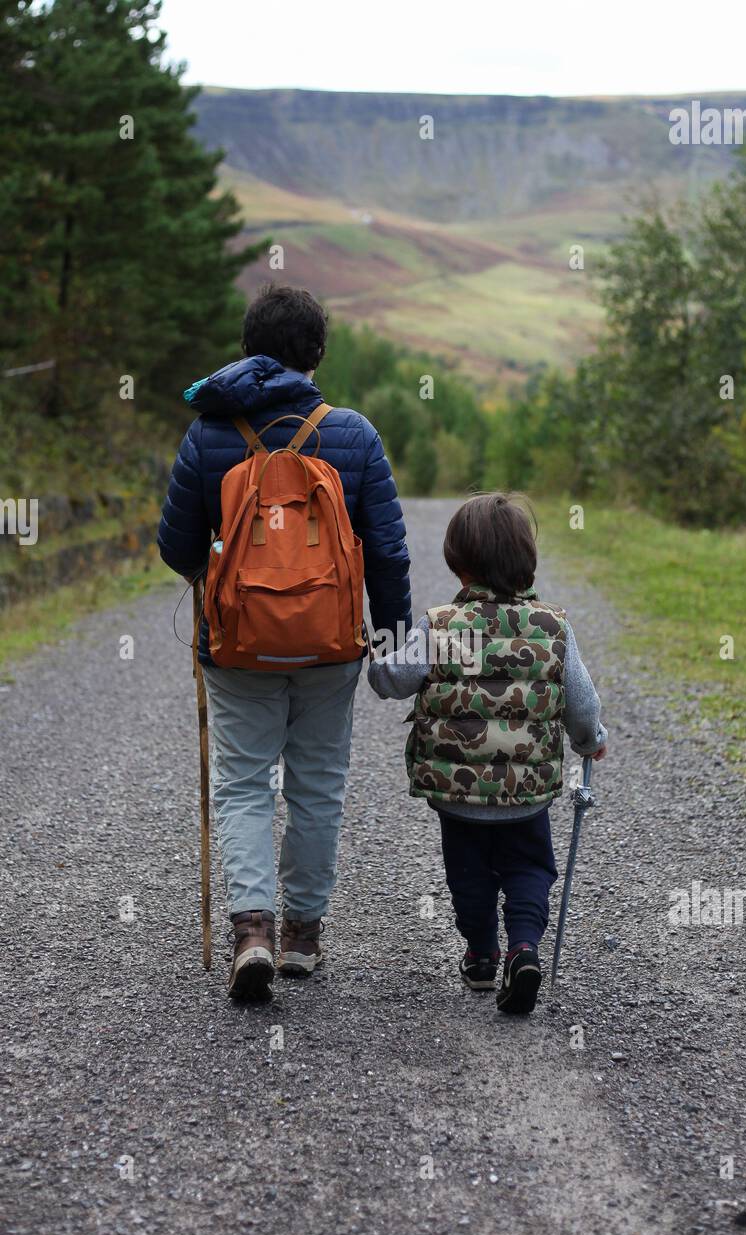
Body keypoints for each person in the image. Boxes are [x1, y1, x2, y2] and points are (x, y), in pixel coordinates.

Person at [158, 285, 411, 1000]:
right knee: (317, 787)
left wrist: (227, 574)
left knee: (241, 784)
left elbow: (176, 547)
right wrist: (392, 640)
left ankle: (251, 933)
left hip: (236, 644)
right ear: (317, 355)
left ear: (247, 351)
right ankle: (302, 936)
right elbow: (388, 553)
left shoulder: (209, 434)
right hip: (330, 646)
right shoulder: (353, 434)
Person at [367, 493, 606, 1015]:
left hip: (459, 796)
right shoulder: (552, 629)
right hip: (528, 794)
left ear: (459, 562)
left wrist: (372, 659)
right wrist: (591, 741)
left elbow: (394, 679)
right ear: (528, 559)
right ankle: (524, 948)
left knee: (468, 876)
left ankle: (480, 955)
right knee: (529, 870)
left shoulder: (444, 626)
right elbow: (582, 706)